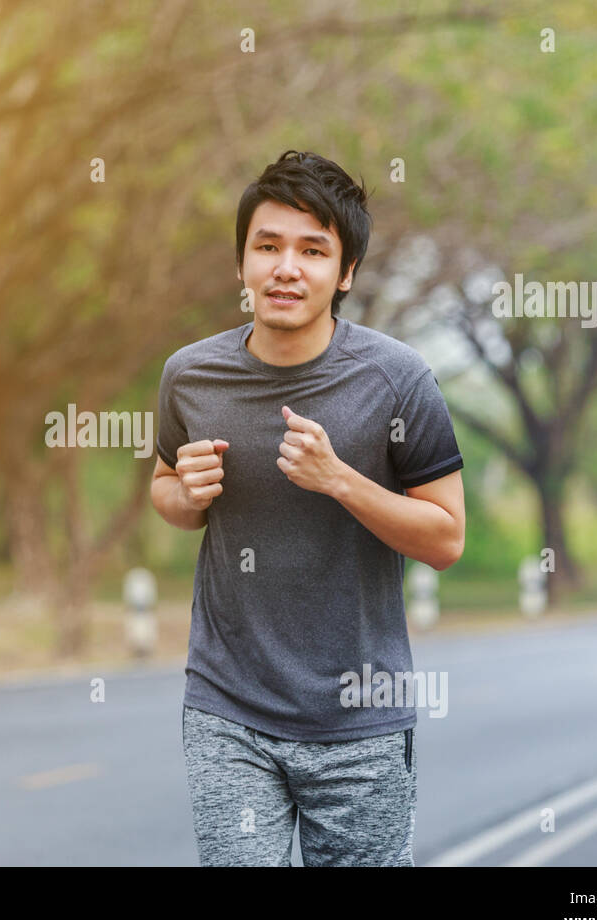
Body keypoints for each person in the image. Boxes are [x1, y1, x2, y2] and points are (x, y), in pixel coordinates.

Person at [149, 150, 465, 866]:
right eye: (267, 246)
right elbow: (165, 489)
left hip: (363, 720)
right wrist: (186, 494)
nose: (286, 267)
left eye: (312, 250)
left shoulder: (397, 381)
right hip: (228, 707)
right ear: (242, 264)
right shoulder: (191, 376)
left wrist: (340, 480)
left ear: (345, 273)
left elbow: (446, 539)